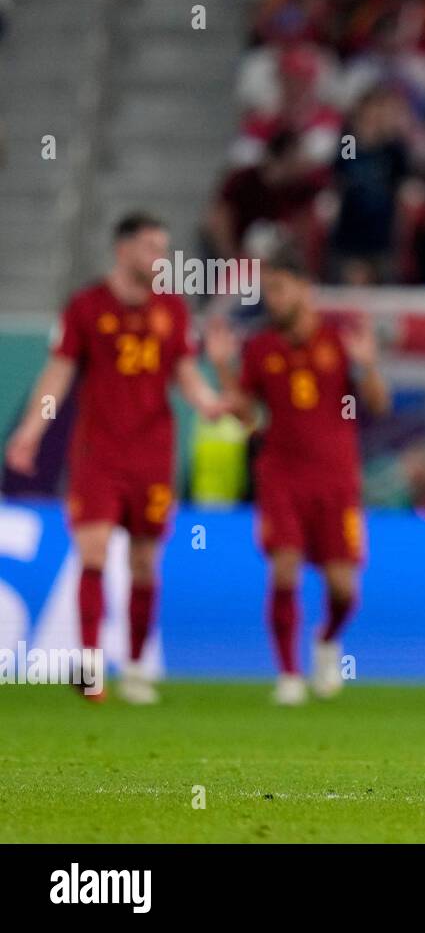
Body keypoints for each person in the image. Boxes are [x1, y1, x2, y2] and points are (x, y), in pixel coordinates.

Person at [4, 213, 223, 703]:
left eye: (164, 248)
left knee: (145, 563)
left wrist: (207, 402)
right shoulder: (86, 307)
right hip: (97, 452)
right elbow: (58, 374)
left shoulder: (172, 309)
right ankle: (87, 664)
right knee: (95, 550)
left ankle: (138, 664)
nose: (159, 258)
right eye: (150, 246)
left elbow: (184, 373)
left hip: (152, 452)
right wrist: (32, 430)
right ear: (123, 250)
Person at [206, 248, 390, 705]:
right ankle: (288, 674)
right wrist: (223, 367)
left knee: (344, 589)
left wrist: (367, 365)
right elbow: (247, 415)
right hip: (281, 475)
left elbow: (379, 406)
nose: (272, 299)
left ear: (305, 291)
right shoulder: (261, 347)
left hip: (336, 479)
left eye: (280, 289)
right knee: (283, 569)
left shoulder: (336, 341)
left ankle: (326, 639)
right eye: (268, 291)